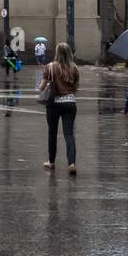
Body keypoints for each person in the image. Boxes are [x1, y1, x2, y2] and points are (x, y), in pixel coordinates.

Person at [38, 42, 79, 174]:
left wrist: (46, 85)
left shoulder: (50, 67)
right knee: (69, 134)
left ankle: (51, 162)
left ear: (57, 53)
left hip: (54, 104)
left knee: (52, 133)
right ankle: (72, 163)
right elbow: (75, 88)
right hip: (70, 103)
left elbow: (42, 87)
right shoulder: (74, 68)